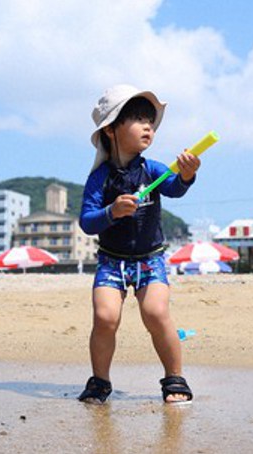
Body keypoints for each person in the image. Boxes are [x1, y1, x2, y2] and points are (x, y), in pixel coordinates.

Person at [77, 84, 201, 406]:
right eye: (136, 119)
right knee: (105, 318)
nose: (147, 126)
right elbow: (87, 222)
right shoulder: (100, 177)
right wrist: (111, 211)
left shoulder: (152, 169)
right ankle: (100, 382)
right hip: (111, 260)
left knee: (156, 312)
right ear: (111, 130)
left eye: (150, 120)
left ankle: (175, 377)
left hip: (150, 258)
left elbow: (174, 188)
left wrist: (186, 175)